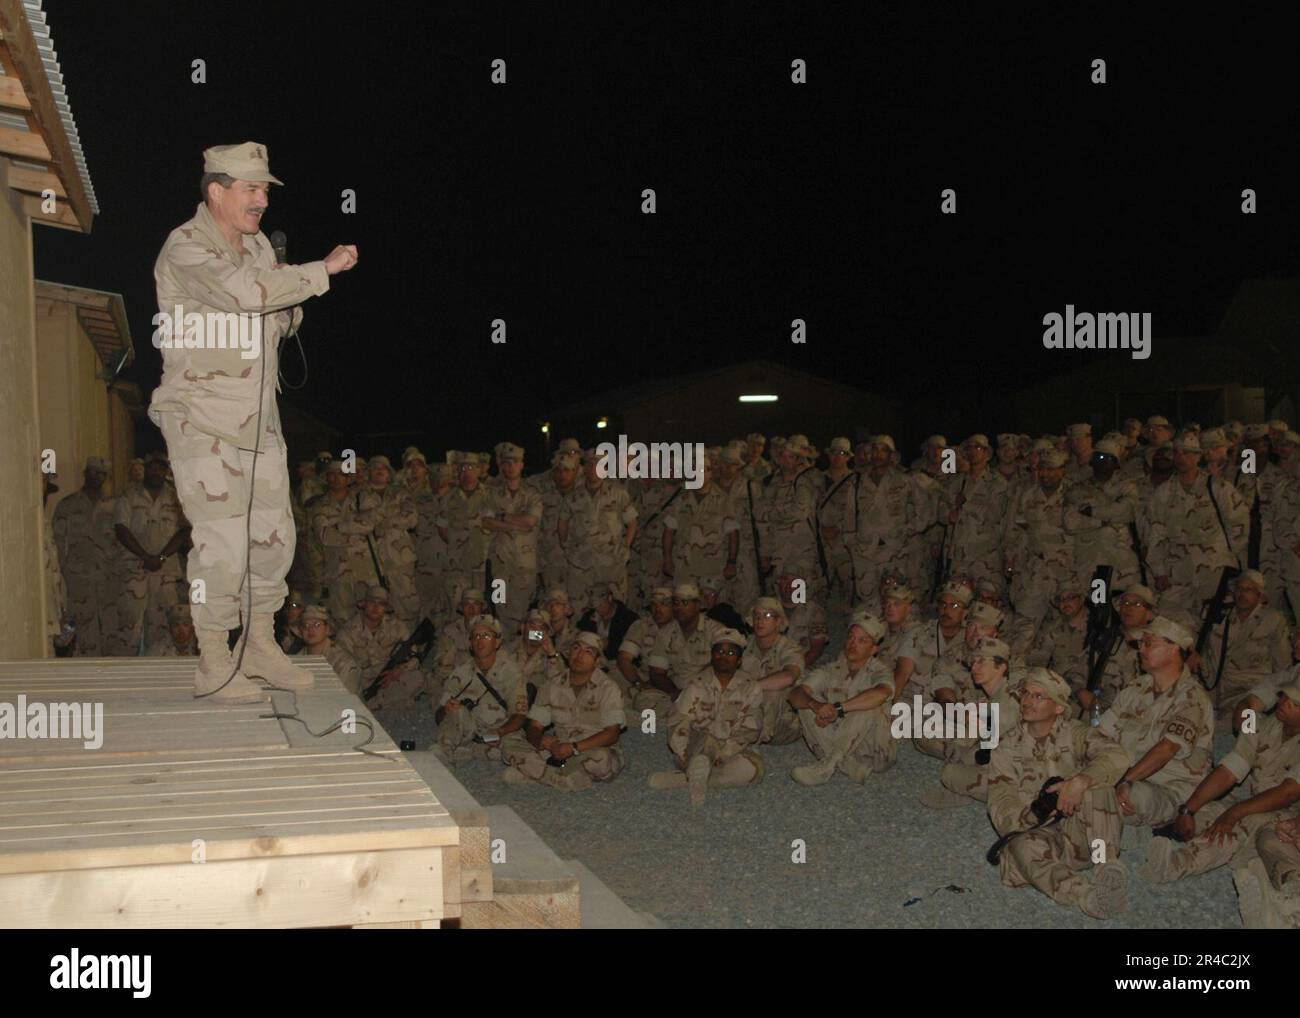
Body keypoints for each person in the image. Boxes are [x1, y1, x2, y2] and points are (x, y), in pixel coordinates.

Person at [150, 140, 357, 702]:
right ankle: (214, 661)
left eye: (266, 189)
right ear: (217, 191)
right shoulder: (185, 247)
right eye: (252, 188)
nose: (262, 199)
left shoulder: (260, 245)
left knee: (273, 537)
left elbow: (272, 319)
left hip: (259, 420)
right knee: (220, 544)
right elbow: (243, 295)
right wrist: (321, 271)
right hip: (203, 420)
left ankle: (260, 646)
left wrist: (289, 307)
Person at [988, 668, 1130, 919]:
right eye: (1026, 694)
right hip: (1042, 837)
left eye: (1039, 696)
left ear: (1059, 708)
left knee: (1098, 787)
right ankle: (1089, 897)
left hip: (1084, 832)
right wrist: (1035, 813)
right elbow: (1001, 806)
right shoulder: (1006, 748)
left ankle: (1105, 865)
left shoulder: (1075, 733)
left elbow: (1117, 756)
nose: (1028, 702)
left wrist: (1079, 781)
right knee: (1020, 847)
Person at [1142, 681, 1300, 883]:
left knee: (1231, 829)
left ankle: (1174, 866)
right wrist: (1189, 810)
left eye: (1294, 703)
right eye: (1284, 696)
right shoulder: (1261, 724)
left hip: (1289, 817)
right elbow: (1229, 771)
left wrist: (1233, 815)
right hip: (1257, 803)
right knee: (1205, 811)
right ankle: (1150, 834)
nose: (1284, 703)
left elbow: (1287, 794)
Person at [1097, 616, 1214, 829]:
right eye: (1140, 643)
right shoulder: (1135, 688)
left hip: (1166, 788)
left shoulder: (1191, 697)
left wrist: (1125, 780)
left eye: (1148, 643)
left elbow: (1167, 748)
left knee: (1124, 799)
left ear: (1174, 649)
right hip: (1124, 775)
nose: (1140, 649)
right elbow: (1101, 734)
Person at [648, 627, 763, 805]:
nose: (724, 656)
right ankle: (697, 768)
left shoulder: (751, 687)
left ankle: (685, 780)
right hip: (696, 748)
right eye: (719, 651)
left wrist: (723, 753)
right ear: (712, 655)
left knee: (753, 770)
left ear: (739, 660)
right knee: (705, 746)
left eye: (731, 652)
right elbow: (677, 724)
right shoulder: (696, 685)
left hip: (731, 750)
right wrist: (685, 755)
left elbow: (750, 730)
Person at [503, 631, 626, 790]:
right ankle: (560, 778)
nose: (580, 655)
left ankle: (540, 774)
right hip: (558, 748)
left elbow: (612, 733)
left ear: (597, 661)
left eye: (588, 652)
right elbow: (534, 726)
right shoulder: (552, 685)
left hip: (589, 748)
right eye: (576, 648)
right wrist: (540, 740)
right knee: (509, 742)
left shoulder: (608, 688)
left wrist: (574, 748)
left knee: (601, 760)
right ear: (569, 653)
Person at [787, 612, 897, 786]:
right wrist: (816, 705)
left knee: (871, 702)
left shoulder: (881, 671)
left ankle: (829, 764)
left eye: (862, 641)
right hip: (835, 745)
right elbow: (795, 694)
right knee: (806, 702)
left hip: (873, 752)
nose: (854, 644)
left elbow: (881, 693)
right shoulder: (831, 669)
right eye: (851, 638)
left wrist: (838, 709)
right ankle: (844, 763)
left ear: (874, 649)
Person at [114, 451, 189, 654]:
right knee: (130, 629)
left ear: (165, 471)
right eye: (152, 467)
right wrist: (145, 556)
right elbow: (121, 529)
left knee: (163, 629)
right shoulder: (128, 495)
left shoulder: (176, 498)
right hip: (135, 572)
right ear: (146, 469)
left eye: (161, 468)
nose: (156, 471)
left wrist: (161, 557)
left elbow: (183, 531)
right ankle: (127, 678)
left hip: (165, 574)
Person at [51, 456, 122, 656]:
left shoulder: (115, 506)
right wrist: (64, 576)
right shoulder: (67, 505)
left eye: (101, 473)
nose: (96, 477)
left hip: (108, 581)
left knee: (110, 633)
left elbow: (123, 541)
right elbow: (57, 544)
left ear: (106, 477)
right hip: (78, 583)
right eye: (92, 472)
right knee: (80, 633)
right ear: (85, 473)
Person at [435, 615, 527, 762]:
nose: (480, 640)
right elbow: (439, 715)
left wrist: (499, 732)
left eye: (486, 635)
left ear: (497, 642)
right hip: (471, 729)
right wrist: (446, 710)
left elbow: (519, 715)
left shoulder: (511, 672)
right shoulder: (461, 672)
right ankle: (445, 753)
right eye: (476, 636)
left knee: (516, 752)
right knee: (455, 712)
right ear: (470, 644)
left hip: (500, 729)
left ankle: (471, 750)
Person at [480, 442, 543, 635]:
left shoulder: (532, 493)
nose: (510, 466)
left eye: (515, 462)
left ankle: (529, 649)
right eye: (506, 462)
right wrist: (518, 523)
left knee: (526, 611)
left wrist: (504, 517)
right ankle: (504, 649)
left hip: (525, 566)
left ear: (522, 464)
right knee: (499, 607)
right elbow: (486, 522)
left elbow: (531, 521)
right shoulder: (492, 493)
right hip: (500, 565)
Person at [336, 586, 423, 709]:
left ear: (386, 608)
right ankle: (382, 703)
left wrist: (399, 670)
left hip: (389, 678)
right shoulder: (348, 631)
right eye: (372, 602)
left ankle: (372, 705)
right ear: (364, 604)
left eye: (381, 604)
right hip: (362, 680)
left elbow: (414, 657)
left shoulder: (397, 627)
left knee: (417, 678)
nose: (376, 607)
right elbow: (342, 665)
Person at [293, 604, 361, 695]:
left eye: (317, 625)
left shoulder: (343, 662)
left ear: (327, 629)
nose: (310, 629)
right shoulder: (296, 660)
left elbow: (346, 700)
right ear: (301, 631)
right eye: (306, 625)